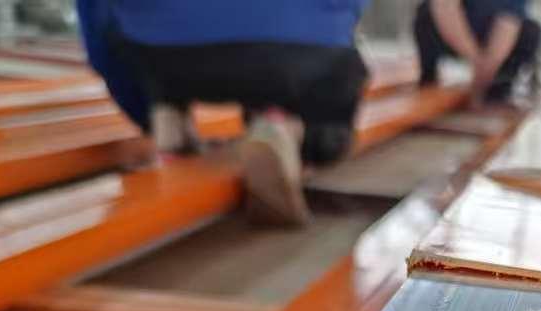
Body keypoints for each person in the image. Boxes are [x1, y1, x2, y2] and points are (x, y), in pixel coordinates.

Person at [77, 0, 369, 226]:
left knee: (129, 24)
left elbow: (95, 24)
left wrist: (142, 111)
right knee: (331, 86)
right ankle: (279, 123)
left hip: (161, 52)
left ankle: (168, 116)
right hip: (298, 45)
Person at [414, 0, 541, 105]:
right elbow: (445, 8)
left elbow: (508, 24)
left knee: (531, 31)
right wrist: (473, 57)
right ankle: (428, 80)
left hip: (488, 38)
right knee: (426, 14)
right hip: (450, 31)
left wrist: (485, 75)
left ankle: (496, 91)